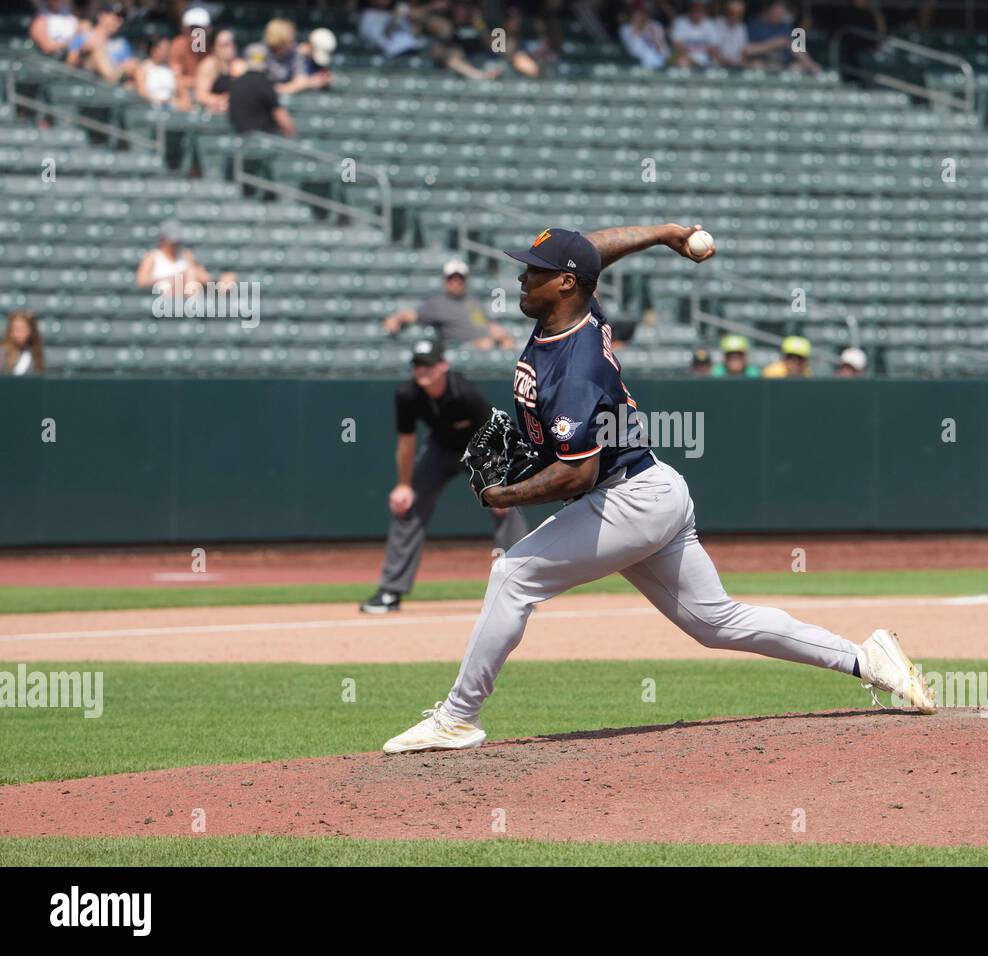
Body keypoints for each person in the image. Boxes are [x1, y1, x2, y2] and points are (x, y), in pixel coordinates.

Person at [381, 223, 935, 752]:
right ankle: (867, 659)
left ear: (564, 283)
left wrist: (502, 496)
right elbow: (592, 250)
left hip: (626, 500)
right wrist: (664, 232)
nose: (521, 280)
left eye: (533, 272)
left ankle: (458, 717)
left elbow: (578, 474)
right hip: (653, 488)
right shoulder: (571, 308)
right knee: (715, 621)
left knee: (512, 575)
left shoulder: (575, 368)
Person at [361, 340, 529, 614]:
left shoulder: (465, 393)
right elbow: (406, 441)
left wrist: (499, 485)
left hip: (478, 451)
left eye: (428, 364)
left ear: (443, 365)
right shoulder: (407, 394)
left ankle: (518, 588)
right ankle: (390, 592)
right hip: (438, 450)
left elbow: (495, 435)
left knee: (506, 506)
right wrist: (403, 486)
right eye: (417, 365)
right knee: (407, 507)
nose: (422, 370)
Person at [382, 258, 514, 349]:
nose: (456, 283)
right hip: (464, 350)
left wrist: (504, 337)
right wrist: (395, 318)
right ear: (445, 280)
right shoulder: (437, 303)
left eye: (460, 279)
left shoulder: (472, 300)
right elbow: (413, 314)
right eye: (451, 279)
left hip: (488, 346)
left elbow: (488, 324)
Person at [134, 220, 236, 293]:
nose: (176, 245)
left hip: (188, 291)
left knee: (229, 278)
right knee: (189, 274)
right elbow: (142, 282)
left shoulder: (186, 254)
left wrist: (220, 280)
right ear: (162, 240)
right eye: (172, 242)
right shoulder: (153, 257)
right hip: (165, 295)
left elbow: (203, 276)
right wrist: (174, 278)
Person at [219, 45, 296, 136]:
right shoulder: (264, 83)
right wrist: (293, 134)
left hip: (240, 140)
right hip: (263, 142)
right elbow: (281, 117)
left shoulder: (235, 83)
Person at [66, 3, 137, 86]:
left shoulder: (122, 43)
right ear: (102, 16)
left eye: (121, 18)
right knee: (97, 51)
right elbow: (69, 64)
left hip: (117, 83)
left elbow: (131, 65)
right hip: (89, 82)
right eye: (115, 16)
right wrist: (83, 52)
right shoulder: (85, 35)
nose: (119, 21)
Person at [746, 1, 819, 73]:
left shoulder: (785, 27)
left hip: (784, 66)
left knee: (796, 67)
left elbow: (798, 49)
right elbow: (747, 50)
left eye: (781, 13)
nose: (779, 15)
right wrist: (774, 43)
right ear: (768, 11)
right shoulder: (755, 25)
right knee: (758, 65)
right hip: (764, 64)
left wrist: (811, 65)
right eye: (776, 12)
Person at [261, 18, 330, 94]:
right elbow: (254, 82)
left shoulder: (295, 54)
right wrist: (308, 83)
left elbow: (300, 80)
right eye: (289, 41)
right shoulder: (258, 51)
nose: (293, 44)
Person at [194, 28, 243, 113]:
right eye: (225, 44)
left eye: (232, 43)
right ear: (215, 47)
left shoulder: (239, 65)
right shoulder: (209, 65)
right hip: (214, 114)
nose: (231, 47)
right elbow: (200, 96)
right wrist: (220, 100)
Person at [358, 0, 429, 59]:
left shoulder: (396, 11)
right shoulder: (368, 16)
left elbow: (415, 34)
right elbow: (382, 37)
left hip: (411, 50)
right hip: (389, 54)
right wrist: (395, 19)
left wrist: (418, 21)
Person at [136, 36, 190, 109]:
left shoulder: (173, 69)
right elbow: (142, 93)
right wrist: (160, 101)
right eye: (164, 49)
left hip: (172, 108)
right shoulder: (143, 69)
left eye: (168, 49)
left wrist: (178, 103)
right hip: (150, 107)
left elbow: (183, 93)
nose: (167, 52)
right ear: (153, 50)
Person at [169, 6, 212, 98]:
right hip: (184, 93)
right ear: (184, 29)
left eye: (199, 28)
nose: (195, 32)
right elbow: (177, 79)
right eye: (192, 28)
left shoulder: (212, 47)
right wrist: (200, 81)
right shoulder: (179, 45)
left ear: (208, 30)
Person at [619, 2, 671, 70]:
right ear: (631, 15)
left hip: (659, 62)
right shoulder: (625, 29)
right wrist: (637, 29)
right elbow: (633, 50)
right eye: (636, 14)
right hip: (637, 62)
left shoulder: (654, 25)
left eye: (641, 13)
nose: (639, 17)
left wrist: (654, 36)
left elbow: (665, 52)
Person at [671, 0, 719, 68]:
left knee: (716, 63)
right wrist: (693, 59)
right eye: (695, 9)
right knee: (682, 61)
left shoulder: (711, 24)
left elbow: (714, 47)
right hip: (686, 59)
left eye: (700, 9)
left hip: (706, 60)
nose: (697, 12)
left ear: (704, 10)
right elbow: (677, 45)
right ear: (691, 9)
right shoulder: (680, 22)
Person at [3, 311, 45, 377]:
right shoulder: (2, 354)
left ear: (31, 331)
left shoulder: (38, 355)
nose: (19, 333)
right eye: (15, 329)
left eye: (23, 328)